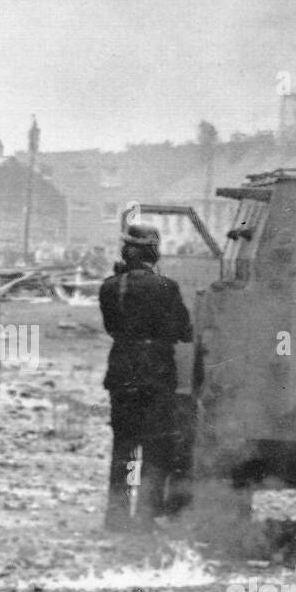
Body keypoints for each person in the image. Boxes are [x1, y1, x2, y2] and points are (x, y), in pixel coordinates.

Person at [98, 224, 192, 533]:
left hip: (122, 371)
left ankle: (116, 516)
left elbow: (112, 327)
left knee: (124, 446)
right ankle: (146, 516)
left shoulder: (110, 286)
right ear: (154, 251)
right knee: (156, 449)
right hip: (156, 374)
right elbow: (184, 332)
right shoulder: (167, 287)